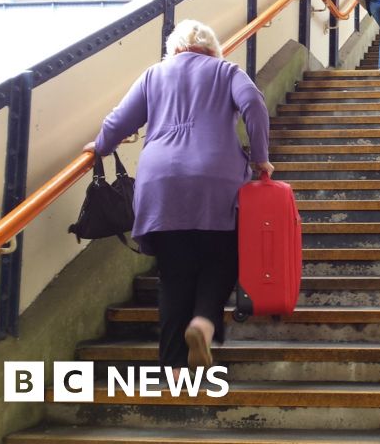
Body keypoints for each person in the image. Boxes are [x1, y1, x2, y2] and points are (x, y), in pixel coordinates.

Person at [85, 19, 274, 374]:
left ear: (174, 48)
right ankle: (203, 323)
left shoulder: (154, 75)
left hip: (161, 183)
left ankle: (173, 366)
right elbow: (253, 104)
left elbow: (117, 121)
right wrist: (261, 158)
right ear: (212, 48)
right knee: (222, 257)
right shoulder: (227, 71)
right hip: (217, 180)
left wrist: (100, 147)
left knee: (174, 274)